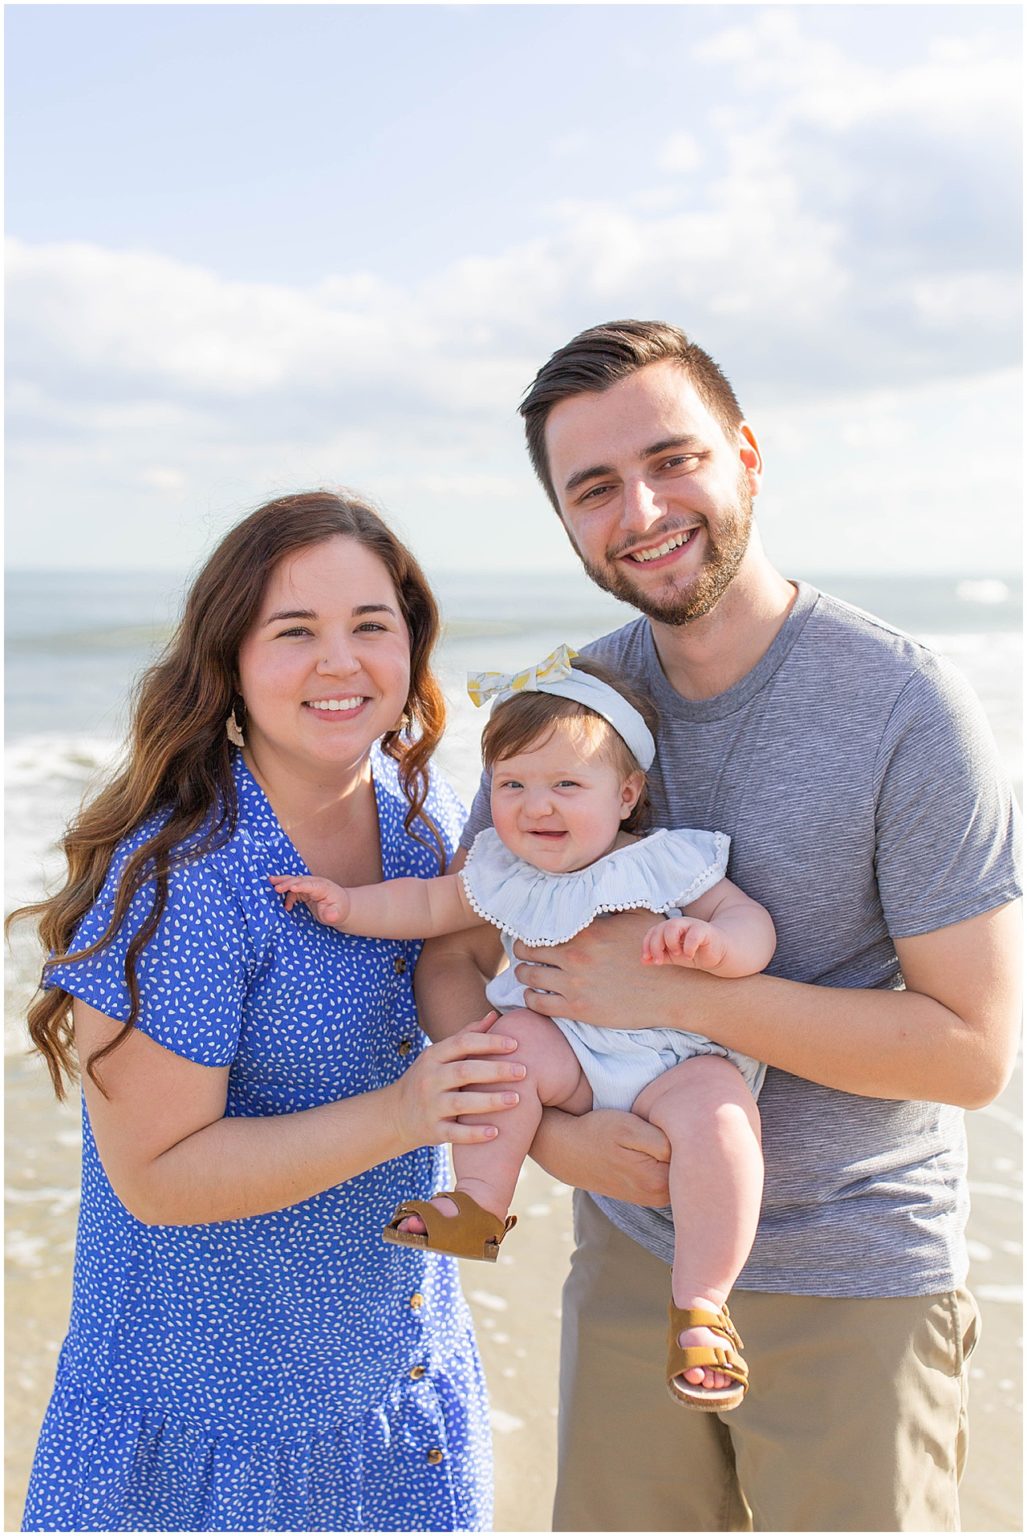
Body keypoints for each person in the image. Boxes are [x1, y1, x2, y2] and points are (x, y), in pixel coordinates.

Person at [416, 321, 1023, 1532]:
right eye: (593, 487)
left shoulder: (904, 704)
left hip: (853, 1283)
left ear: (745, 455)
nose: (640, 508)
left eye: (671, 460)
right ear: (565, 520)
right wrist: (553, 1144)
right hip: (631, 1260)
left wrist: (680, 998)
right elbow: (455, 956)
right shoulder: (562, 712)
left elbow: (970, 1053)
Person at [10, 490, 527, 1533]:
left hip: (398, 1398)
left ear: (411, 646)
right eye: (295, 632)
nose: (341, 663)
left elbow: (496, 1023)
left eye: (370, 626)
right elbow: (155, 1175)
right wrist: (403, 1114)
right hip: (211, 1445)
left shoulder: (422, 837)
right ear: (231, 661)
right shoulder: (185, 875)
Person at [271, 648, 776, 1411]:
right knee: (503, 1049)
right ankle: (477, 1204)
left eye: (566, 785)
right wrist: (348, 905)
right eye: (512, 785)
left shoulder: (663, 861)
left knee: (721, 1113)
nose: (536, 807)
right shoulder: (503, 869)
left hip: (673, 1057)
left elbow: (746, 919)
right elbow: (427, 906)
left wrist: (720, 947)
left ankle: (702, 1305)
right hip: (567, 1051)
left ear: (626, 793)